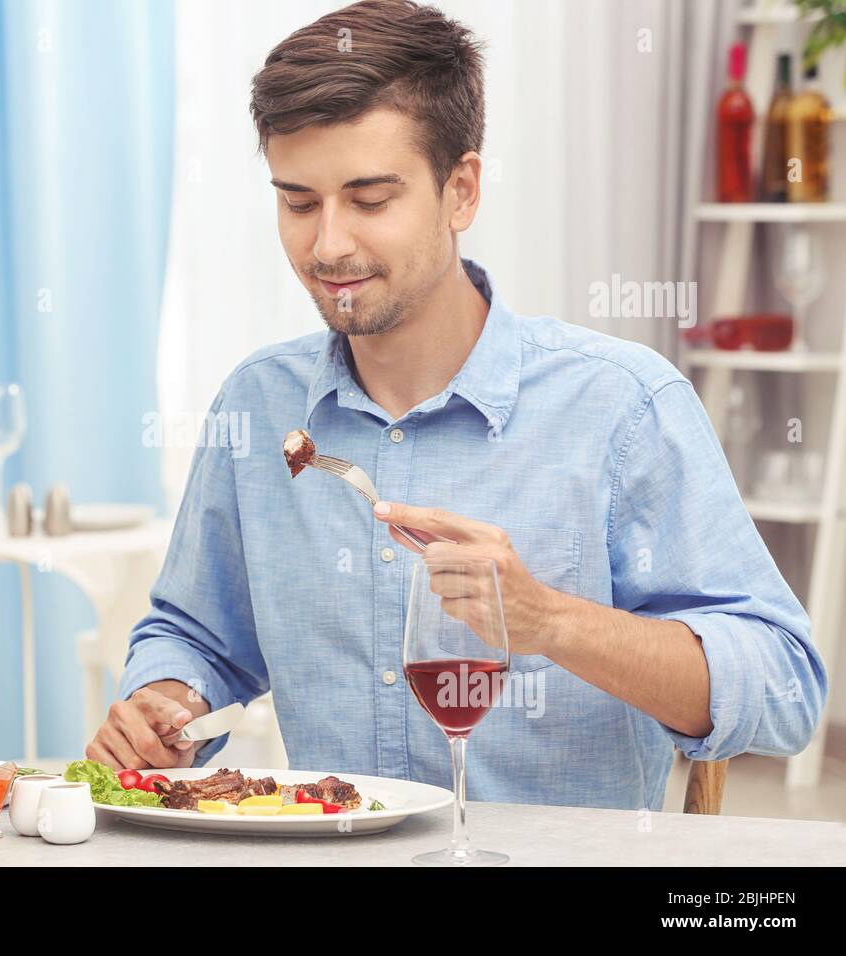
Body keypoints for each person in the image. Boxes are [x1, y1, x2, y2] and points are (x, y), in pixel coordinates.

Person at [88, 0, 826, 809]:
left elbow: (786, 689)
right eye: (299, 202)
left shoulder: (621, 408)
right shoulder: (258, 407)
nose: (327, 244)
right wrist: (168, 698)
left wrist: (550, 622)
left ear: (461, 191)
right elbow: (197, 635)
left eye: (369, 200)